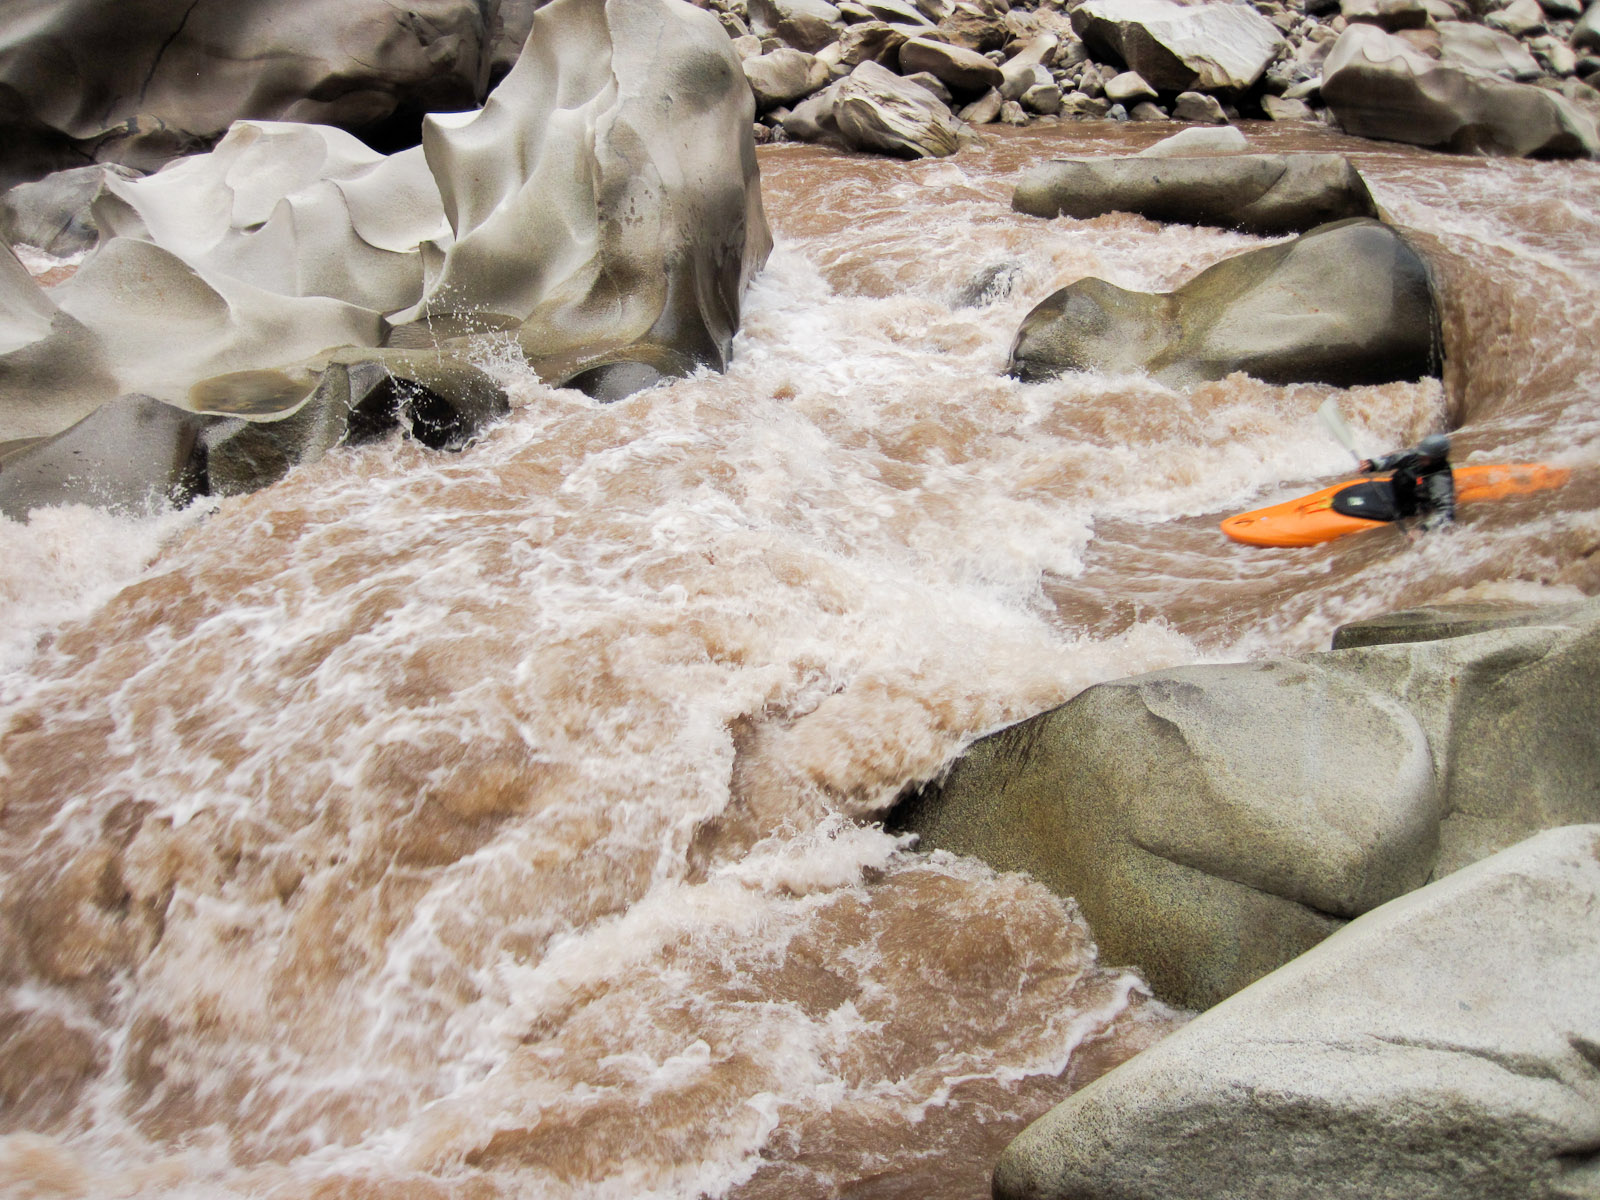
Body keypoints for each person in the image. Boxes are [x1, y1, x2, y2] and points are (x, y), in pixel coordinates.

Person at [1359, 432, 1455, 531]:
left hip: (1419, 501)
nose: (1420, 458)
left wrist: (1423, 529)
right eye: (1420, 455)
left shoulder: (1440, 478)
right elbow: (1394, 460)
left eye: (1424, 458)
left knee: (1407, 480)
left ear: (1437, 459)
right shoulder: (1418, 456)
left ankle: (1408, 511)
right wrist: (1372, 464)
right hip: (1405, 491)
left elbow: (1446, 513)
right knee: (1402, 475)